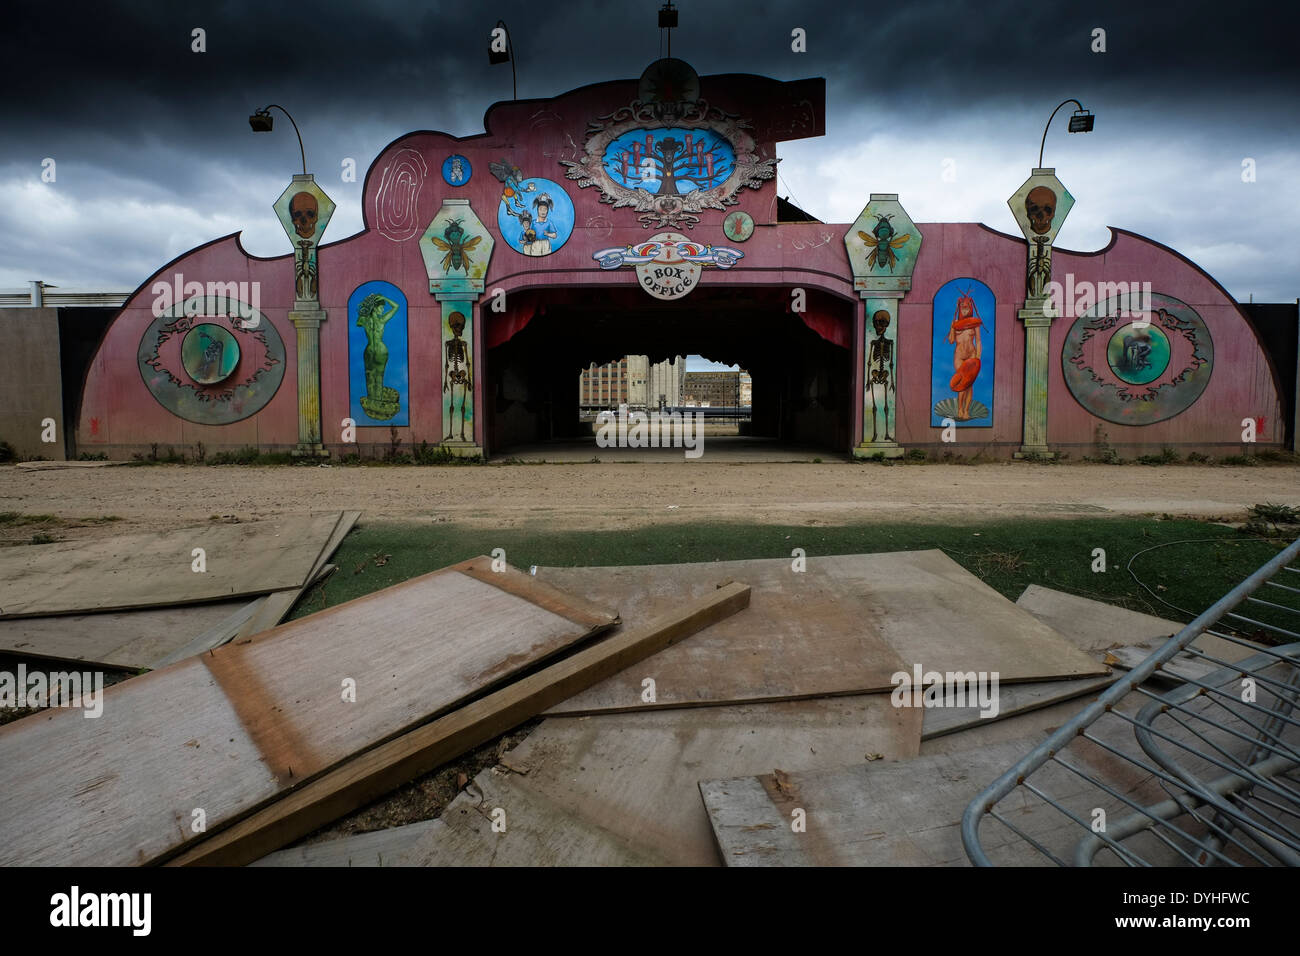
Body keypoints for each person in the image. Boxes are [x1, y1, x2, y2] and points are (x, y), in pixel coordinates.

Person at [947, 292, 984, 420]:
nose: (965, 308)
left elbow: (978, 341)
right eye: (963, 306)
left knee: (969, 384)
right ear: (960, 307)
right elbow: (951, 341)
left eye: (967, 306)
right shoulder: (955, 323)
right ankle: (960, 409)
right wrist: (952, 328)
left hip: (971, 355)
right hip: (959, 357)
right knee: (963, 383)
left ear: (970, 307)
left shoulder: (975, 323)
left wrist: (978, 357)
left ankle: (966, 410)